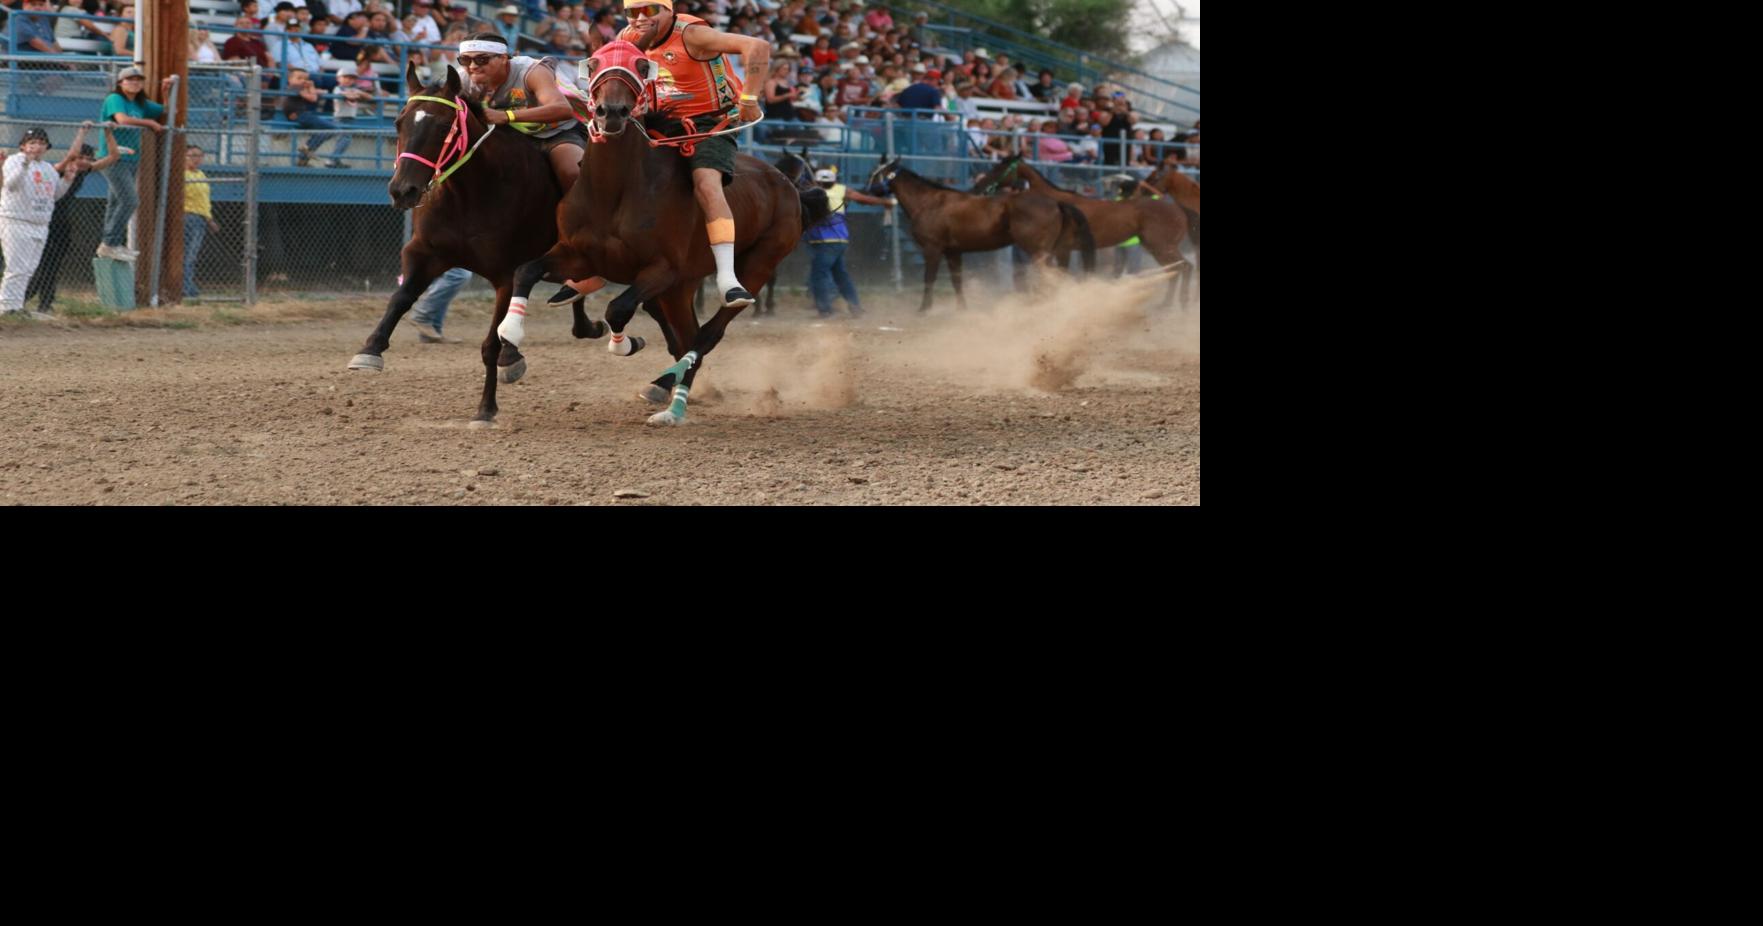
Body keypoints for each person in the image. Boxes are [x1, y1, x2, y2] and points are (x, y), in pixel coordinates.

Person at [546, 0, 769, 310]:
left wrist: (750, 97)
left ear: (669, 10)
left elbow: (757, 46)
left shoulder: (693, 35)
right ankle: (594, 266)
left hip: (709, 121)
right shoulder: (627, 38)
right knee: (603, 166)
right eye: (632, 12)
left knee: (706, 183)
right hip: (656, 115)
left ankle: (727, 278)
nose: (640, 18)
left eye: (650, 10)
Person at [25, 123, 120, 314]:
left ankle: (45, 304)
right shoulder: (56, 170)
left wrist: (108, 132)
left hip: (61, 224)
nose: (83, 161)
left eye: (88, 158)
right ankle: (20, 300)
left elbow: (113, 156)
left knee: (52, 266)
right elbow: (71, 155)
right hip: (42, 220)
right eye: (80, 157)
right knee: (38, 266)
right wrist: (82, 132)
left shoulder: (83, 170)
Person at [95, 65, 170, 262]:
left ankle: (110, 244)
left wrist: (165, 92)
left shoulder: (140, 103)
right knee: (130, 200)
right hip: (113, 156)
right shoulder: (115, 99)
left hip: (131, 158)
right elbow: (122, 119)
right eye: (130, 79)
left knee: (115, 202)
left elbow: (166, 110)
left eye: (138, 79)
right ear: (121, 83)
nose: (135, 82)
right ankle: (110, 243)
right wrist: (150, 123)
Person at [1, 127, 73, 318]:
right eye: (32, 143)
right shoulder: (14, 161)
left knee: (29, 268)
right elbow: (10, 184)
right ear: (23, 146)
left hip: (40, 223)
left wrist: (67, 180)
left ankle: (16, 305)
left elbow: (55, 195)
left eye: (41, 143)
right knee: (16, 267)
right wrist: (25, 163)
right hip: (16, 220)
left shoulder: (47, 168)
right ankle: (6, 306)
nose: (37, 147)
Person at [801, 166, 891, 319]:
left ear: (816, 182)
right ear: (833, 181)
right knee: (841, 276)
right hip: (841, 241)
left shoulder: (812, 195)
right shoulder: (841, 190)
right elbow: (865, 200)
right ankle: (855, 307)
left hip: (824, 242)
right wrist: (885, 201)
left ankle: (825, 310)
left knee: (819, 276)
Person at [182, 144, 221, 299]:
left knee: (191, 255)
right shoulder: (182, 174)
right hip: (188, 215)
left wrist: (209, 219)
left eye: (199, 156)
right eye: (192, 155)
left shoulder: (200, 174)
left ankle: (188, 286)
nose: (197, 159)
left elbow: (203, 200)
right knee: (187, 255)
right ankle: (186, 288)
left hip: (200, 217)